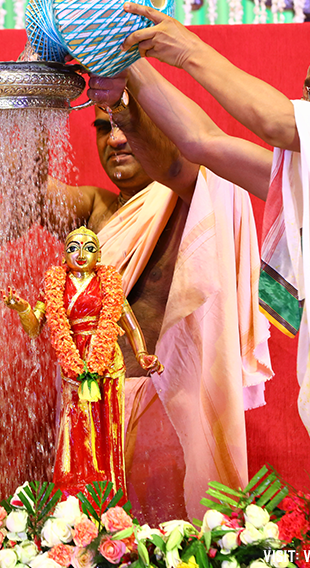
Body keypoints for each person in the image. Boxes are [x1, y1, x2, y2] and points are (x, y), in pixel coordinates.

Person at [89, 8, 310, 555]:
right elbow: (203, 143)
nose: (303, 106)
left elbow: (276, 122)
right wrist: (128, 58)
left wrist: (183, 50)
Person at [39, 100, 271, 521]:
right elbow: (31, 190)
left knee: (170, 549)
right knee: (83, 546)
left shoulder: (188, 194)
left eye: (128, 126)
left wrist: (124, 85)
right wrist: (31, 94)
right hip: (89, 408)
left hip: (163, 419)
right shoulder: (93, 209)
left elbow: (181, 163)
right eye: (103, 127)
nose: (116, 139)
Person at [3, 226, 161, 497]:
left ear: (99, 255)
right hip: (72, 363)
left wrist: (142, 354)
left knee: (105, 429)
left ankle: (107, 495)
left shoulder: (108, 285)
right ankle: (74, 493)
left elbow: (130, 324)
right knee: (76, 426)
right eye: (73, 248)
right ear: (64, 255)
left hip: (107, 364)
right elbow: (33, 328)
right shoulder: (55, 285)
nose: (80, 253)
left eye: (89, 248)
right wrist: (23, 309)